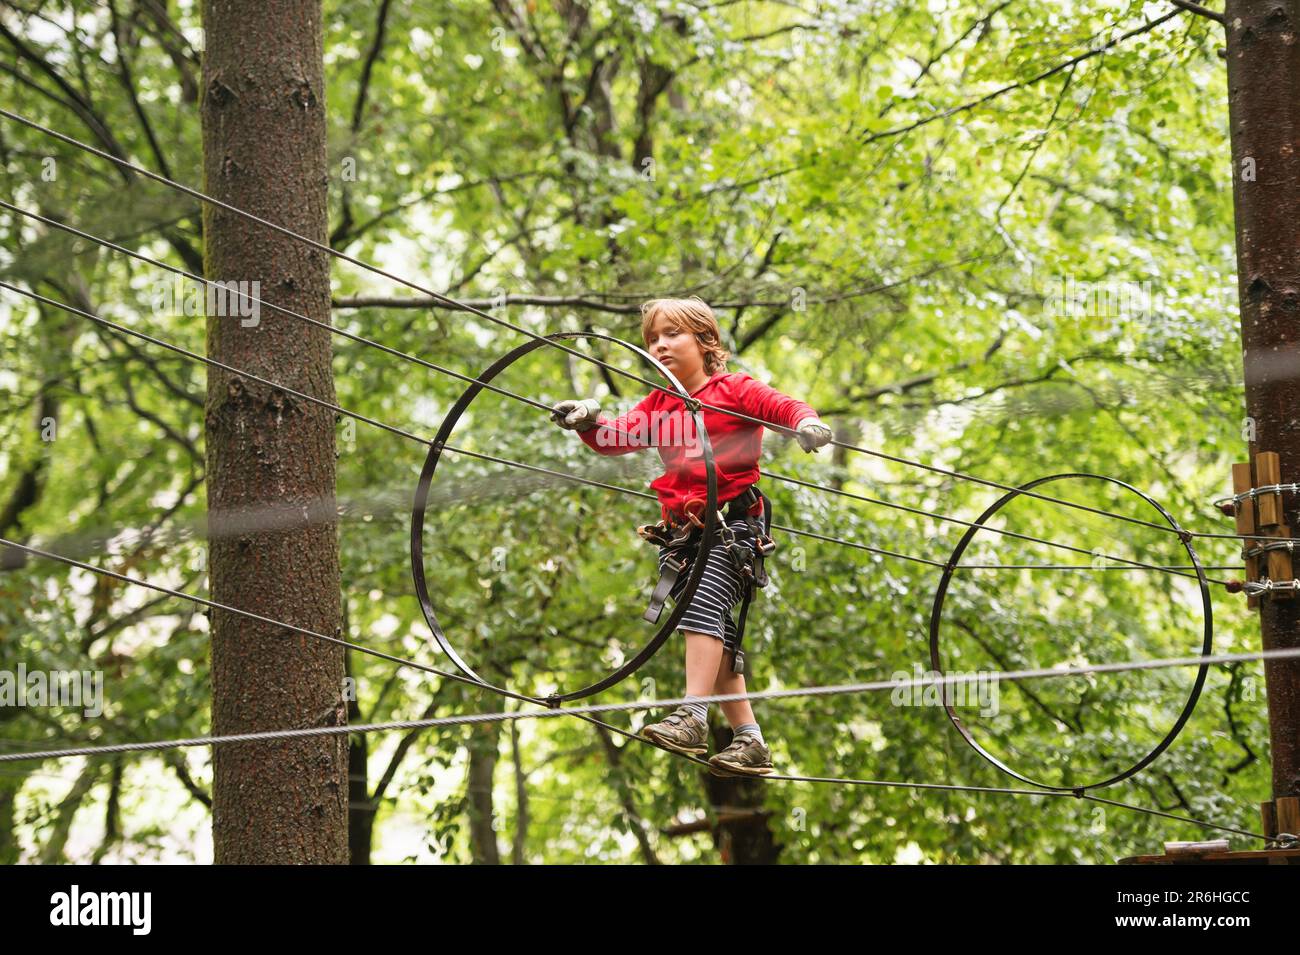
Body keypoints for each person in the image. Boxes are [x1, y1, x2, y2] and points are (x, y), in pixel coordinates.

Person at [550, 297, 832, 775]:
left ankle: (693, 716)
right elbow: (617, 437)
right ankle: (749, 740)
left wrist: (805, 423)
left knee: (700, 610)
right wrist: (586, 422)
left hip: (733, 526)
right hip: (685, 537)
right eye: (653, 338)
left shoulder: (734, 389)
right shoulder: (659, 404)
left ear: (704, 341)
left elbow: (782, 406)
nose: (660, 344)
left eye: (672, 334)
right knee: (712, 629)